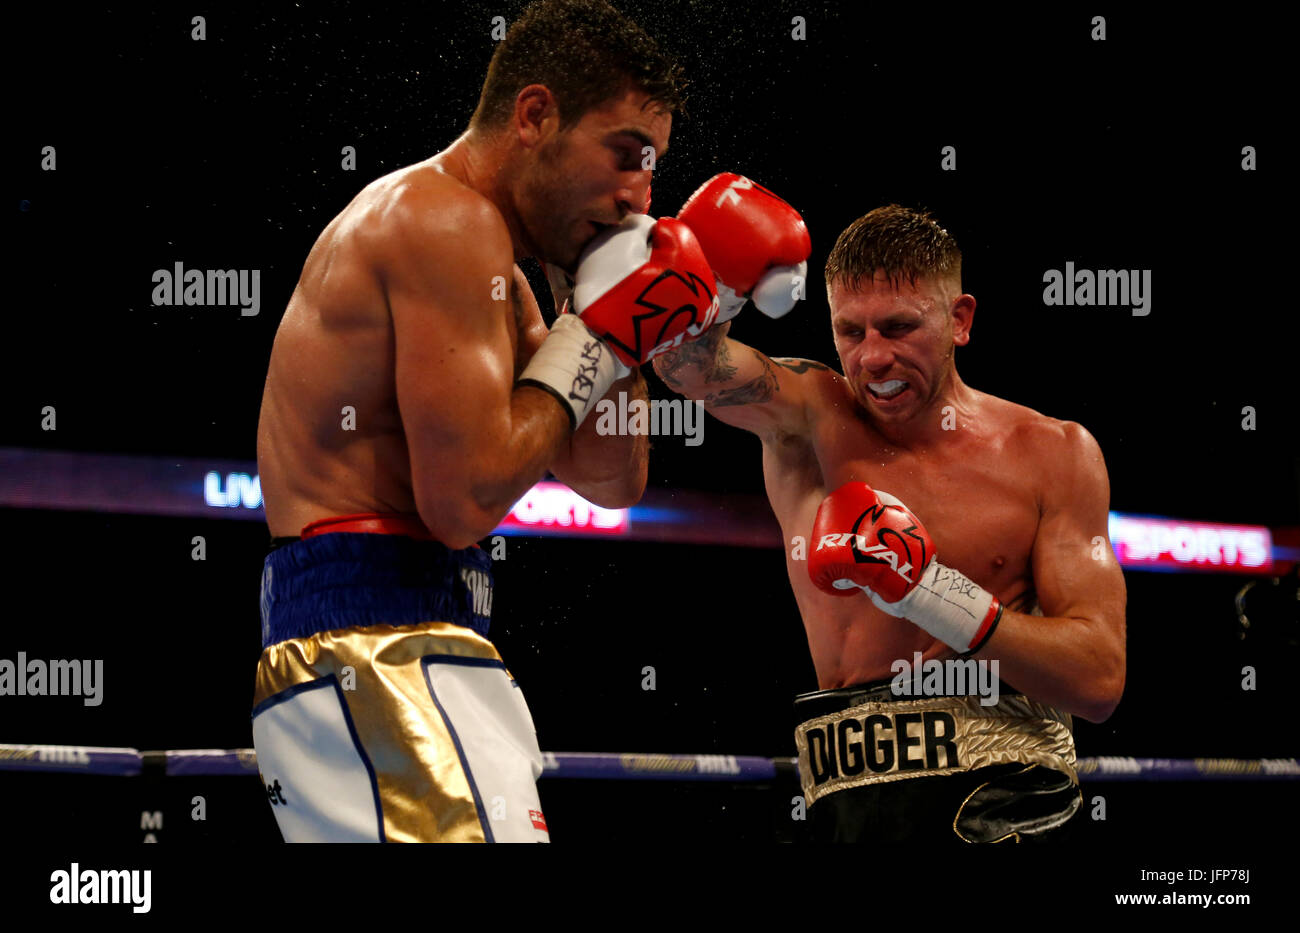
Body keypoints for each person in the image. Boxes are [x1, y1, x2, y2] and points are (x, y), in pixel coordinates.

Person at [252, 0, 710, 842]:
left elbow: (611, 479)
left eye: (653, 169)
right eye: (624, 155)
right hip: (381, 649)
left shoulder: (500, 267)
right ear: (535, 115)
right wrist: (598, 332)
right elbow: (462, 504)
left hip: (393, 644)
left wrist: (611, 322)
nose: (640, 195)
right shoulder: (441, 220)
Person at [655, 201, 1127, 843]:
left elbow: (1098, 677)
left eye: (899, 328)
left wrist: (929, 593)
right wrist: (725, 284)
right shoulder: (811, 418)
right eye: (851, 332)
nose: (873, 357)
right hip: (848, 805)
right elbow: (685, 365)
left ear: (959, 321)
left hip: (1005, 801)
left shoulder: (1053, 452)